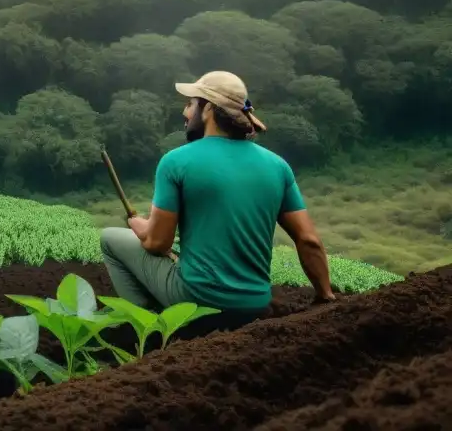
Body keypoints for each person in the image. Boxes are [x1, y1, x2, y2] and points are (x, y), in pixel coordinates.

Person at [100, 70, 336, 323]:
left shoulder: (176, 161)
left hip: (197, 301)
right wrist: (325, 296)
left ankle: (147, 325)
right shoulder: (278, 166)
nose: (185, 112)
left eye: (190, 104)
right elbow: (308, 240)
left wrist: (139, 226)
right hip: (255, 305)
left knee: (110, 239)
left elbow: (158, 243)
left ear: (209, 109)